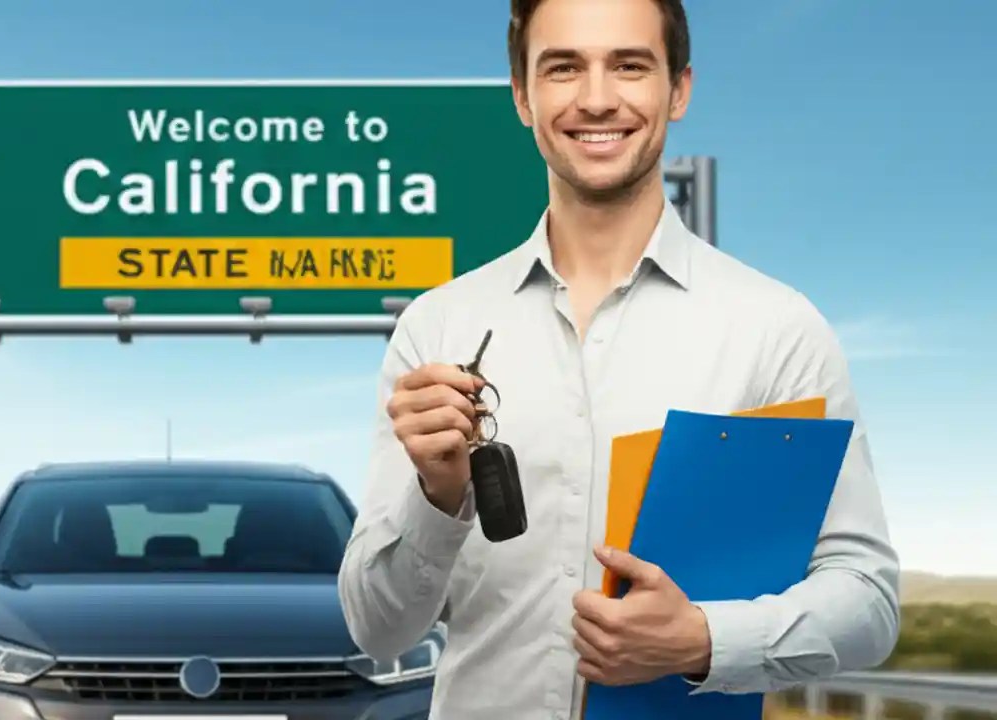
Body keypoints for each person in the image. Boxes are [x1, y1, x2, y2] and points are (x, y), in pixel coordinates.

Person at [336, 0, 901, 718]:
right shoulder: (437, 328)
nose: (597, 98)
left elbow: (868, 600)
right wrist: (437, 497)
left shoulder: (776, 330)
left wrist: (704, 639)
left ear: (679, 89)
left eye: (629, 65)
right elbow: (377, 627)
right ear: (522, 96)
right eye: (564, 67)